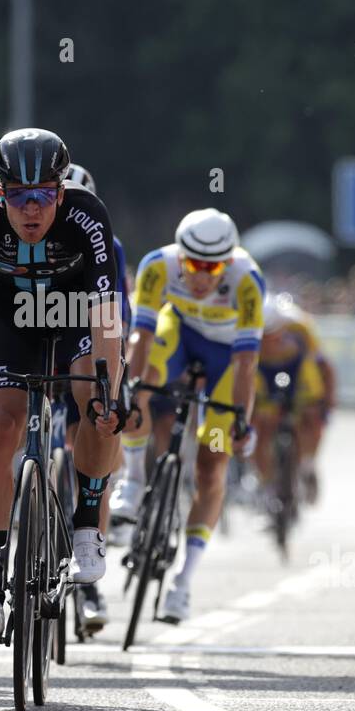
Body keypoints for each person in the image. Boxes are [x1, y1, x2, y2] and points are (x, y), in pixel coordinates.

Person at [0, 128, 123, 646]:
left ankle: (88, 524)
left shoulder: (88, 213)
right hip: (8, 320)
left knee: (95, 402)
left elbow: (108, 319)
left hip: (73, 316)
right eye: (18, 196)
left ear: (61, 192)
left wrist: (110, 390)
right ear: (1, 194)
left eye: (43, 194)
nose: (31, 208)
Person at [111, 208, 263, 624]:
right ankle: (134, 479)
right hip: (175, 334)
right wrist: (133, 389)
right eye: (193, 264)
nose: (201, 276)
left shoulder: (248, 280)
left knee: (213, 463)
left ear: (228, 262)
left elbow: (247, 364)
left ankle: (182, 582)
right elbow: (139, 334)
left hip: (225, 358)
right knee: (142, 379)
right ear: (180, 257)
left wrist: (241, 421)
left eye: (213, 267)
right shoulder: (157, 265)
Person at [60, 161, 131, 634]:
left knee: (94, 437)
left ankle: (88, 580)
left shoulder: (109, 247)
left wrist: (115, 388)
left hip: (87, 339)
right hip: (34, 334)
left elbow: (115, 322)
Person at [251, 292, 335, 506]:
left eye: (272, 334)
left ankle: (308, 464)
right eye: (262, 336)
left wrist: (327, 403)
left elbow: (325, 367)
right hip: (263, 374)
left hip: (298, 373)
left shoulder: (301, 327)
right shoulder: (247, 329)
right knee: (260, 426)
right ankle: (267, 483)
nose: (268, 341)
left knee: (311, 416)